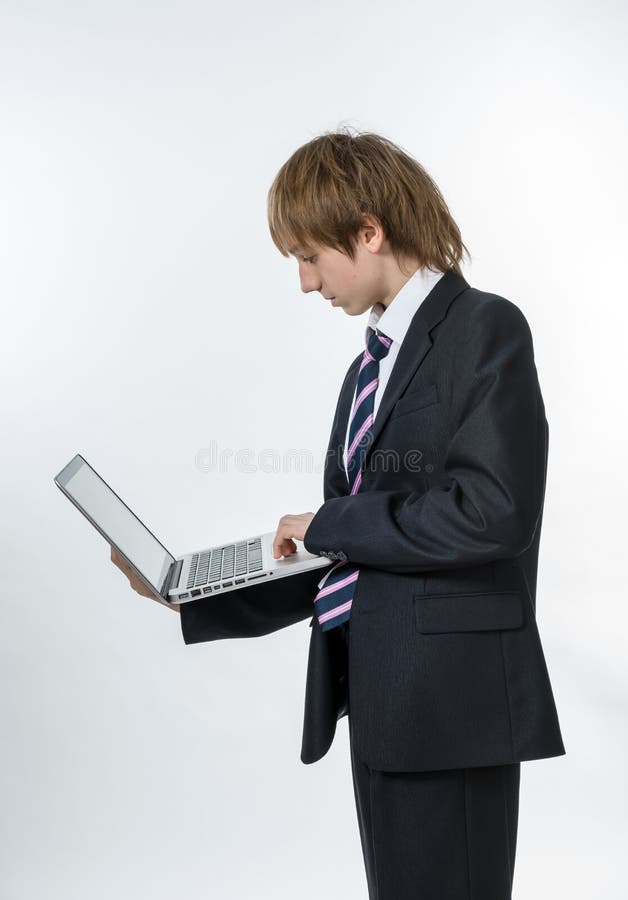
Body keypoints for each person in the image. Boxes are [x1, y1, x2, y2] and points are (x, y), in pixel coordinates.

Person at [112, 127, 566, 899]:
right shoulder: (367, 369)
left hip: (451, 708)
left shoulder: (485, 329)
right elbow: (350, 555)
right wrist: (196, 593)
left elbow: (493, 512)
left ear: (369, 231)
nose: (304, 282)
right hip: (384, 700)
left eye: (310, 256)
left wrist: (328, 523)